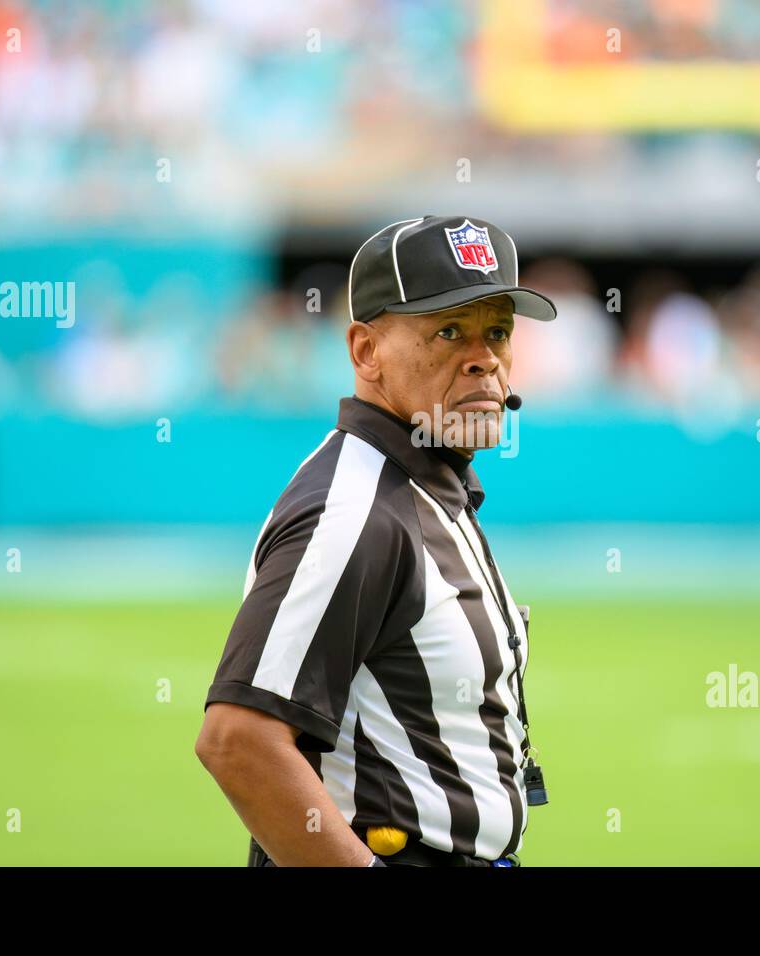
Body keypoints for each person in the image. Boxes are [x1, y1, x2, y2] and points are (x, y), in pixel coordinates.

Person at [195, 216, 555, 867]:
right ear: (365, 352)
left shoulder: (427, 482)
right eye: (448, 331)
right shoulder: (355, 508)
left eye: (496, 331)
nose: (484, 357)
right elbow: (238, 742)